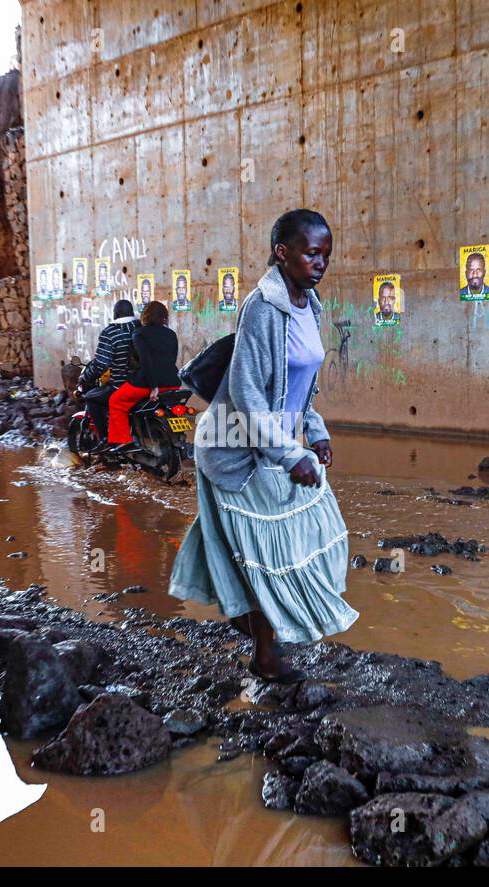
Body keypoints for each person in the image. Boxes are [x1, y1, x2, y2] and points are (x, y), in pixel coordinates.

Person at [169, 208, 356, 682]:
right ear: (282, 252)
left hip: (275, 443)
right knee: (269, 555)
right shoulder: (261, 307)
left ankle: (252, 632)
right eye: (312, 253)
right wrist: (291, 454)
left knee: (315, 536)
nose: (320, 263)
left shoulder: (310, 305)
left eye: (326, 254)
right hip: (235, 447)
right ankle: (265, 655)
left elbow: (299, 384)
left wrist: (315, 433)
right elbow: (250, 393)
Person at [106, 301, 181, 450]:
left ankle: (124, 440)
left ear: (145, 315)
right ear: (164, 317)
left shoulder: (139, 333)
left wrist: (154, 387)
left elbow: (146, 361)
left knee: (115, 401)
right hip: (173, 382)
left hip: (147, 384)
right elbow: (172, 359)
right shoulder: (171, 334)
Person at [76, 299, 137, 440]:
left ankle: (104, 438)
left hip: (121, 384)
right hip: (144, 382)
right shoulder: (141, 328)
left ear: (115, 314)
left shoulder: (110, 332)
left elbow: (101, 364)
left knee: (91, 397)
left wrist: (86, 377)